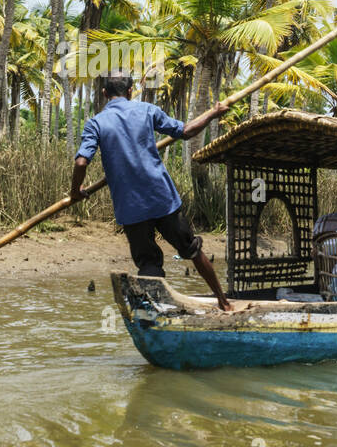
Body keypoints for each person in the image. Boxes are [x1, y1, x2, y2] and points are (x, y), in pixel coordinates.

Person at [69, 72, 233, 311]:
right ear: (130, 91)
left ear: (104, 94)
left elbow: (81, 162)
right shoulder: (147, 110)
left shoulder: (96, 123)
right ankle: (223, 300)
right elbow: (186, 131)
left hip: (131, 207)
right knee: (192, 249)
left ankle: (154, 312)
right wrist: (214, 112)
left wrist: (75, 192)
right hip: (162, 198)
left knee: (148, 263)